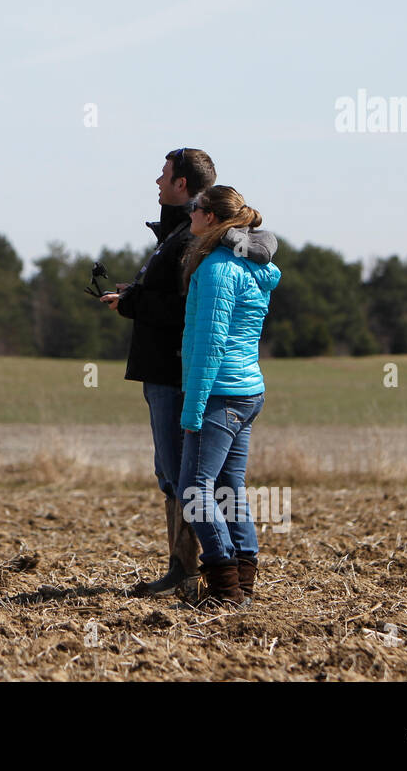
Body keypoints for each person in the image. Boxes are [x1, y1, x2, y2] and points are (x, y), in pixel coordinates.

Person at [100, 148, 215, 600]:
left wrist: (133, 302)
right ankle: (183, 570)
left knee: (176, 473)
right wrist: (137, 293)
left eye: (164, 175)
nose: (157, 182)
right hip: (162, 370)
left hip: (172, 371)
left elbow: (185, 309)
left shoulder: (190, 236)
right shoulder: (179, 233)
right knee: (170, 473)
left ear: (182, 184)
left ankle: (188, 574)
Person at [176, 185, 281, 607]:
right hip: (247, 390)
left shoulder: (219, 269)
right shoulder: (251, 268)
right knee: (229, 489)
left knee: (194, 491)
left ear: (213, 219)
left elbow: (210, 345)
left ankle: (225, 588)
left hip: (220, 393)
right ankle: (244, 582)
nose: (190, 212)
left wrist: (194, 407)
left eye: (197, 207)